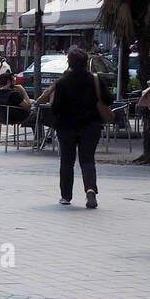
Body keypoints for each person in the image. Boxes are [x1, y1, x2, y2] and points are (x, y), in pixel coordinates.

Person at [50, 46, 112, 207]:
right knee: (87, 160)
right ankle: (90, 190)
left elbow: (55, 107)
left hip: (66, 128)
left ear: (69, 63)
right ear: (86, 63)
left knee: (67, 162)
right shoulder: (95, 80)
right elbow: (108, 99)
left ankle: (66, 196)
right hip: (90, 126)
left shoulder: (62, 82)